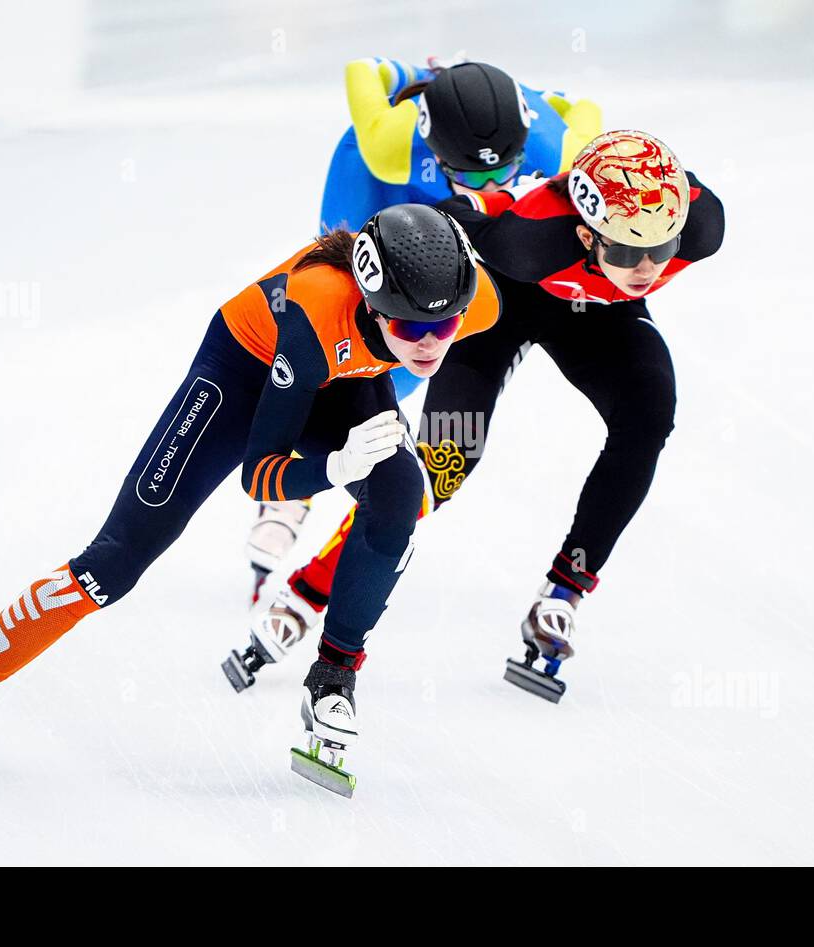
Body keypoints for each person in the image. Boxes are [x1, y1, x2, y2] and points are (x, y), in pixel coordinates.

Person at [0, 204, 501, 795]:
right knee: (113, 564)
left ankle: (334, 674)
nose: (432, 343)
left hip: (343, 374)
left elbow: (524, 250)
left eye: (445, 324)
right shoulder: (313, 307)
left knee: (399, 495)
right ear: (370, 299)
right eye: (412, 325)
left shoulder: (469, 301)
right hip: (248, 368)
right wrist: (333, 466)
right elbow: (261, 474)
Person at [234, 130, 725, 702]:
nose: (643, 268)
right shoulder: (529, 237)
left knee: (649, 416)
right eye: (622, 252)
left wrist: (629, 258)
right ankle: (309, 593)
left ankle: (564, 592)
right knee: (439, 468)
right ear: (586, 232)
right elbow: (441, 224)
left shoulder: (700, 224)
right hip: (502, 307)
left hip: (602, 319)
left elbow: (652, 232)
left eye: (660, 251)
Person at [244, 54, 601, 604]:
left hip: (458, 196)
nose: (488, 182)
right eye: (472, 173)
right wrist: (409, 74)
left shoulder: (554, 148)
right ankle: (292, 475)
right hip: (380, 183)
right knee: (346, 316)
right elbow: (360, 70)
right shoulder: (389, 144)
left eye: (502, 170)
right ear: (436, 149)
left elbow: (586, 110)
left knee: (421, 345)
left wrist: (539, 95)